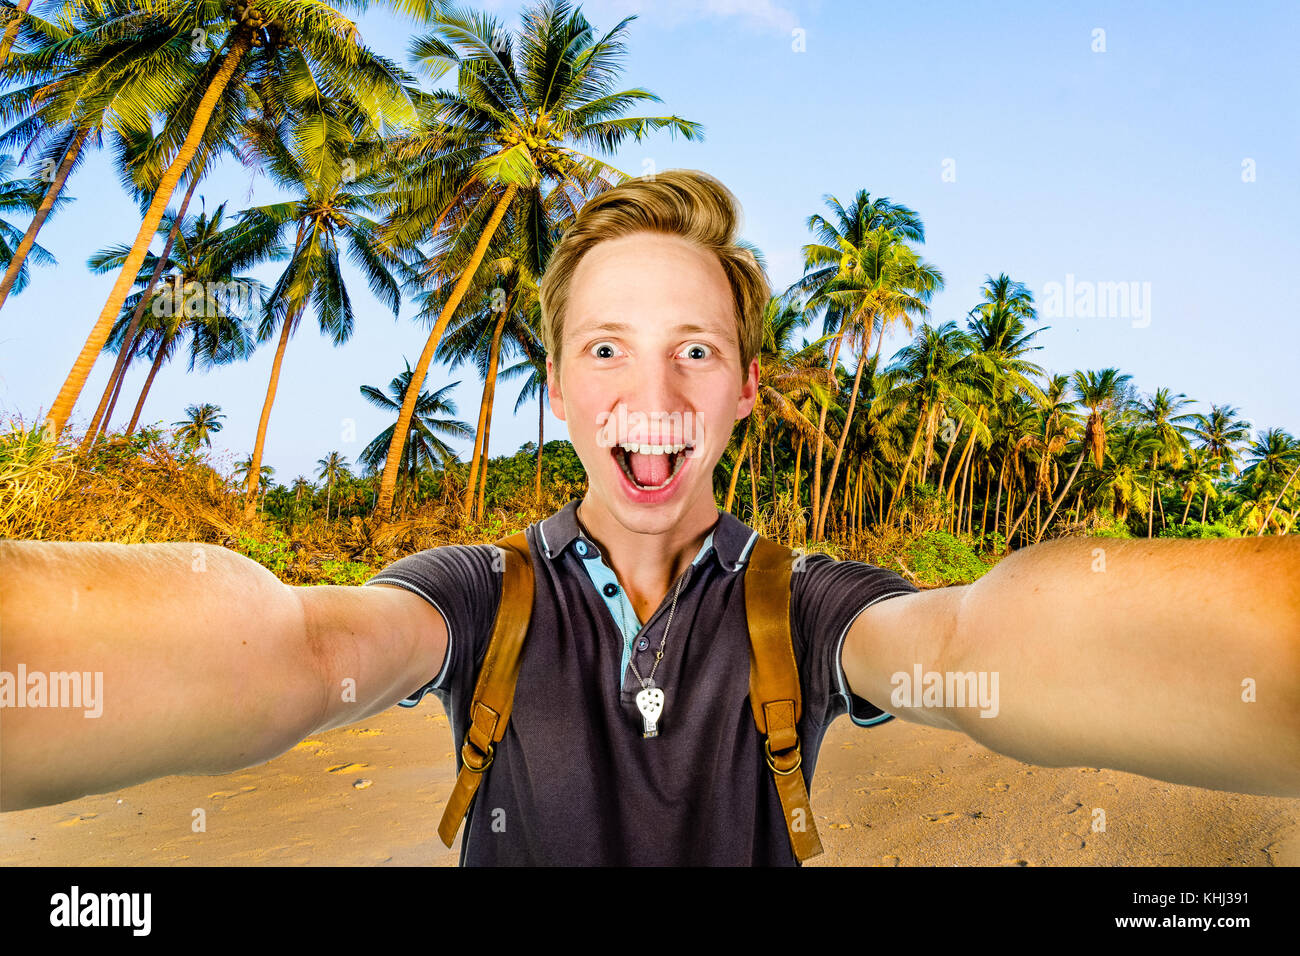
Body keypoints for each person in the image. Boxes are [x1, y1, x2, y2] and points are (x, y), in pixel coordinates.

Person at [2, 170, 1297, 866]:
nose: (654, 392)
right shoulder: (475, 593)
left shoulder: (807, 605)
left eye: (695, 350)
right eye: (609, 348)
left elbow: (974, 645)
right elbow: (301, 651)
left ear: (741, 388)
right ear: (559, 384)